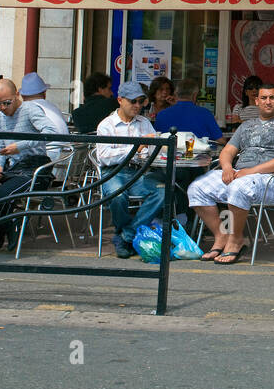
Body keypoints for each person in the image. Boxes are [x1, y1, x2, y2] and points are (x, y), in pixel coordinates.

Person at [188, 84, 274, 264]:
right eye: (264, 98)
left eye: (272, 98)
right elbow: (227, 151)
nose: (268, 102)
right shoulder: (246, 126)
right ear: (257, 101)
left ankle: (235, 240)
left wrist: (250, 171)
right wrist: (227, 168)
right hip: (239, 174)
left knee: (238, 188)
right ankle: (221, 236)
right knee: (197, 188)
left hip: (269, 180)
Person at [0, 80, 60, 254]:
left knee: (1, 194)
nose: (3, 108)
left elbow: (51, 132)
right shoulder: (1, 116)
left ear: (17, 96)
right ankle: (7, 225)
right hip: (11, 169)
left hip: (34, 169)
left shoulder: (30, 109)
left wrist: (20, 145)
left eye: (7, 103)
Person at [94, 81, 165, 259]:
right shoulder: (106, 125)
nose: (138, 106)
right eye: (133, 101)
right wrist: (136, 148)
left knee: (162, 192)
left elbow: (152, 152)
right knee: (117, 195)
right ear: (120, 100)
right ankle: (127, 233)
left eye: (141, 102)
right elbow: (104, 156)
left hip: (139, 172)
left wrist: (156, 149)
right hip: (113, 171)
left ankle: (126, 235)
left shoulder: (144, 123)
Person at [152, 77, 224, 139]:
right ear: (195, 95)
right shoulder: (205, 113)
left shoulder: (161, 115)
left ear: (176, 94)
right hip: (197, 154)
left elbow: (156, 139)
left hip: (169, 154)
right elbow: (220, 141)